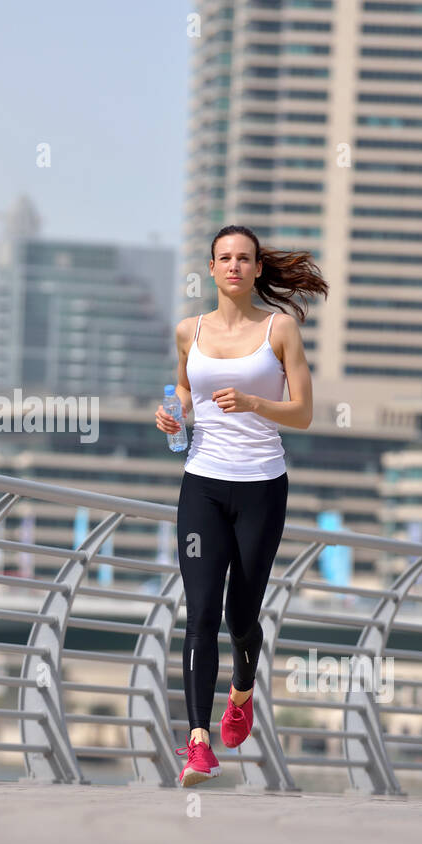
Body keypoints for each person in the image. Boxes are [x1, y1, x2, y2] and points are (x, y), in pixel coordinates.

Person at [154, 225, 326, 786]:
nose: (234, 265)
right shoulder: (188, 331)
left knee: (241, 616)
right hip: (202, 482)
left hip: (261, 486)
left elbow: (302, 413)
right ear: (210, 268)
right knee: (200, 613)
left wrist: (255, 400)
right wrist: (173, 415)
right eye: (224, 257)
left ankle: (243, 691)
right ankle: (198, 744)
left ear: (256, 269)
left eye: (244, 258)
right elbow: (185, 391)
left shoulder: (281, 330)